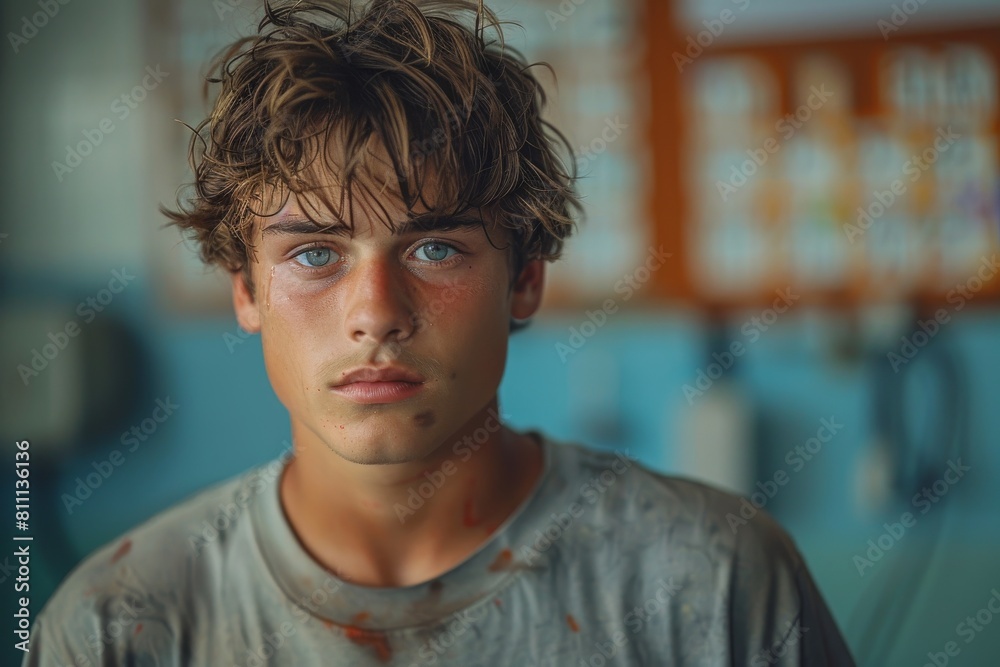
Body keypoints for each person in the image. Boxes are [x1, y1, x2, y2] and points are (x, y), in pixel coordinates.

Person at [23, 1, 856, 665]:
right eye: (315, 252)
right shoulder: (117, 627)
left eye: (434, 247)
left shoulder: (716, 582)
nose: (377, 309)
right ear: (246, 287)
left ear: (525, 276)